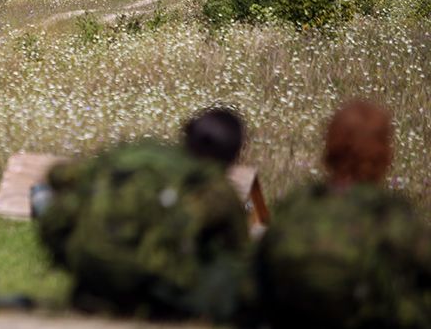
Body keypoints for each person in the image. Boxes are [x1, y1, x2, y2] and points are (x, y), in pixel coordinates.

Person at [36, 107, 250, 321]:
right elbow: (240, 250)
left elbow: (58, 175)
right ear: (232, 153)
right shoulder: (213, 185)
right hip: (150, 282)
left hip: (87, 265)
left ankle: (95, 293)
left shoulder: (134, 155)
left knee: (50, 201)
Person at [254, 101, 431, 328]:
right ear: (385, 153)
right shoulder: (390, 214)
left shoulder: (297, 204)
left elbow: (257, 271)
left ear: (330, 147)